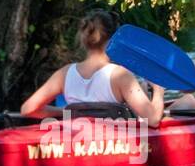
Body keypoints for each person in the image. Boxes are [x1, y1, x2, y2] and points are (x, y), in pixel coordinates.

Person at [20, 9, 165, 125]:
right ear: (113, 40)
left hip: (78, 148)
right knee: (187, 101)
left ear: (84, 39)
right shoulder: (120, 75)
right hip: (114, 150)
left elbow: (28, 109)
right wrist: (158, 91)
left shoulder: (64, 74)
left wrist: (64, 111)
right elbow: (152, 120)